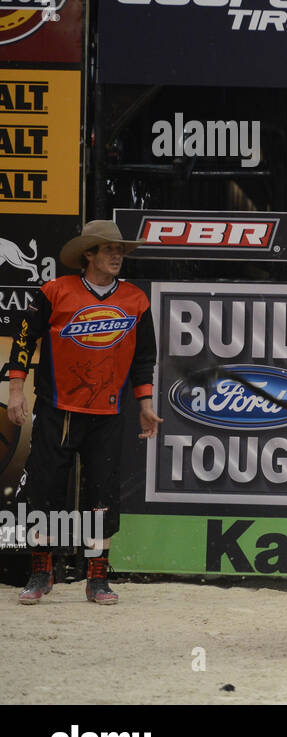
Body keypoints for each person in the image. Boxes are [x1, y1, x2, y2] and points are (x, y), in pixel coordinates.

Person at [5, 221, 162, 605]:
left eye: (120, 250)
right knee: (44, 491)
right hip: (57, 409)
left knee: (102, 494)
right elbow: (25, 338)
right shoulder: (54, 292)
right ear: (87, 254)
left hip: (108, 412)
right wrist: (14, 390)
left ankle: (97, 578)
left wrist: (145, 404)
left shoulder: (136, 300)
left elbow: (144, 358)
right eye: (108, 249)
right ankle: (41, 573)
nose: (116, 256)